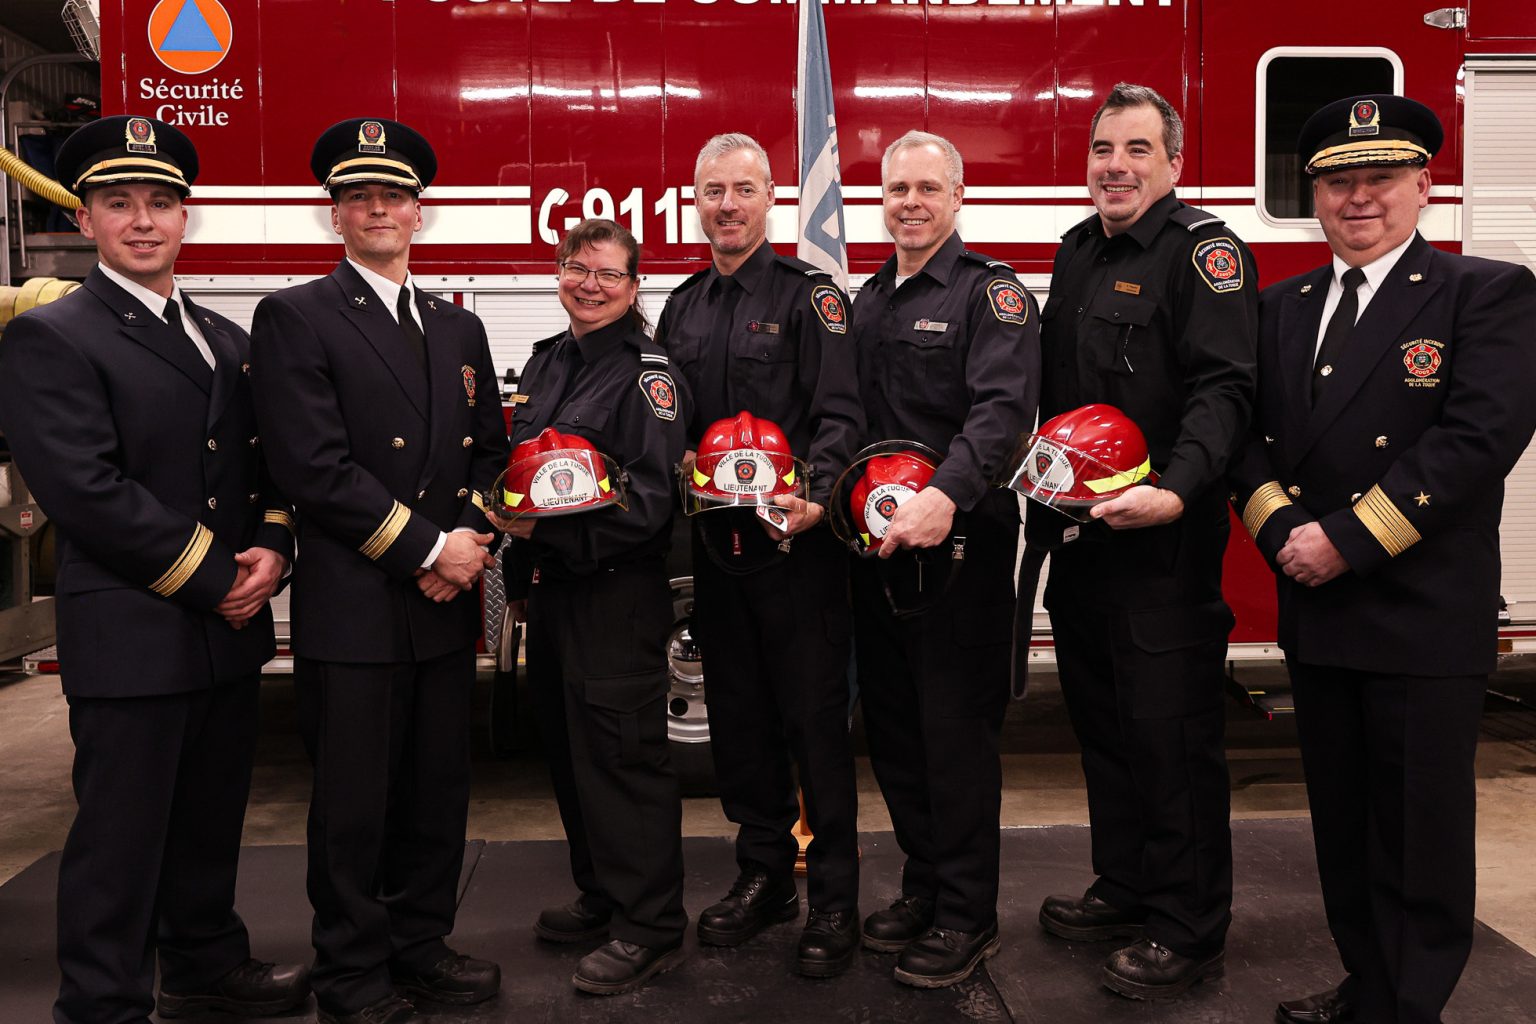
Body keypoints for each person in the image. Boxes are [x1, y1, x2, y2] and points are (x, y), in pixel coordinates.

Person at [1229, 94, 1536, 1024]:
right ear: (1314, 195)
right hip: (1319, 609)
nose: (1359, 199)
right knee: (1346, 825)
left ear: (1423, 186)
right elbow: (1246, 437)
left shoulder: (1485, 291)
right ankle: (1366, 980)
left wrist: (1346, 541)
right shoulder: (1280, 306)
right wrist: (1280, 529)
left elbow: (1477, 442)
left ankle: (1410, 1005)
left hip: (1417, 608)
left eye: (1380, 180)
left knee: (1418, 832)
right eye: (1338, 182)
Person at [0, 115, 309, 1024]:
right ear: (87, 220)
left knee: (210, 818)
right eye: (119, 203)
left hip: (225, 630)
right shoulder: (56, 335)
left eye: (161, 203)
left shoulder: (225, 333)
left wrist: (278, 546)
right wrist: (223, 576)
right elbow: (87, 491)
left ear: (187, 218)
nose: (143, 221)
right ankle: (101, 1002)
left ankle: (205, 963)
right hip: (136, 628)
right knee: (120, 837)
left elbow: (262, 465)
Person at [249, 118, 508, 1024]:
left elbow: (490, 456)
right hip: (356, 608)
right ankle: (354, 971)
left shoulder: (457, 326)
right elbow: (312, 469)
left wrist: (471, 544)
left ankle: (421, 945)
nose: (377, 208)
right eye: (358, 195)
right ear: (336, 216)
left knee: (438, 793)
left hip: (439, 609)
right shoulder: (296, 317)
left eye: (393, 194)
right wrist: (434, 550)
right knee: (354, 805)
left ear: (419, 211)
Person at [1027, 82, 1256, 1001]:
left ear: (1172, 162)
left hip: (1161, 545)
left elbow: (1226, 390)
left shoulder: (1204, 254)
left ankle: (1189, 925)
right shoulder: (1077, 251)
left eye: (1134, 150)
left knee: (1171, 737)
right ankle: (1126, 886)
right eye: (1100, 151)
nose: (1113, 167)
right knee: (1105, 730)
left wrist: (1174, 490)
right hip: (1081, 544)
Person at [651, 133, 865, 977]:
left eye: (743, 189)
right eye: (713, 191)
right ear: (694, 202)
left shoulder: (814, 297)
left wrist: (811, 496)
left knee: (814, 727)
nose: (727, 204)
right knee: (738, 723)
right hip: (716, 553)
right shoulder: (682, 306)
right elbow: (668, 424)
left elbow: (841, 413)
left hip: (797, 553)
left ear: (771, 195)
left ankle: (837, 899)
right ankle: (764, 875)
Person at [846, 130, 1039, 988]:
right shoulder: (867, 299)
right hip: (878, 555)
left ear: (958, 197)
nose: (910, 202)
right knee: (893, 732)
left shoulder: (989, 295)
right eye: (896, 189)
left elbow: (1002, 412)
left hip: (958, 550)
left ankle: (967, 912)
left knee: (954, 736)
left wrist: (946, 497)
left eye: (928, 187)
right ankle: (925, 884)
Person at [494, 218, 690, 995]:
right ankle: (604, 893)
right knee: (572, 755)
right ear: (559, 273)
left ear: (635, 289)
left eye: (611, 274)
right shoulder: (548, 363)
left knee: (623, 757)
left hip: (617, 592)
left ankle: (652, 926)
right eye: (579, 268)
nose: (591, 284)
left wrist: (543, 524)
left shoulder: (649, 376)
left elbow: (647, 503)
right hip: (554, 592)